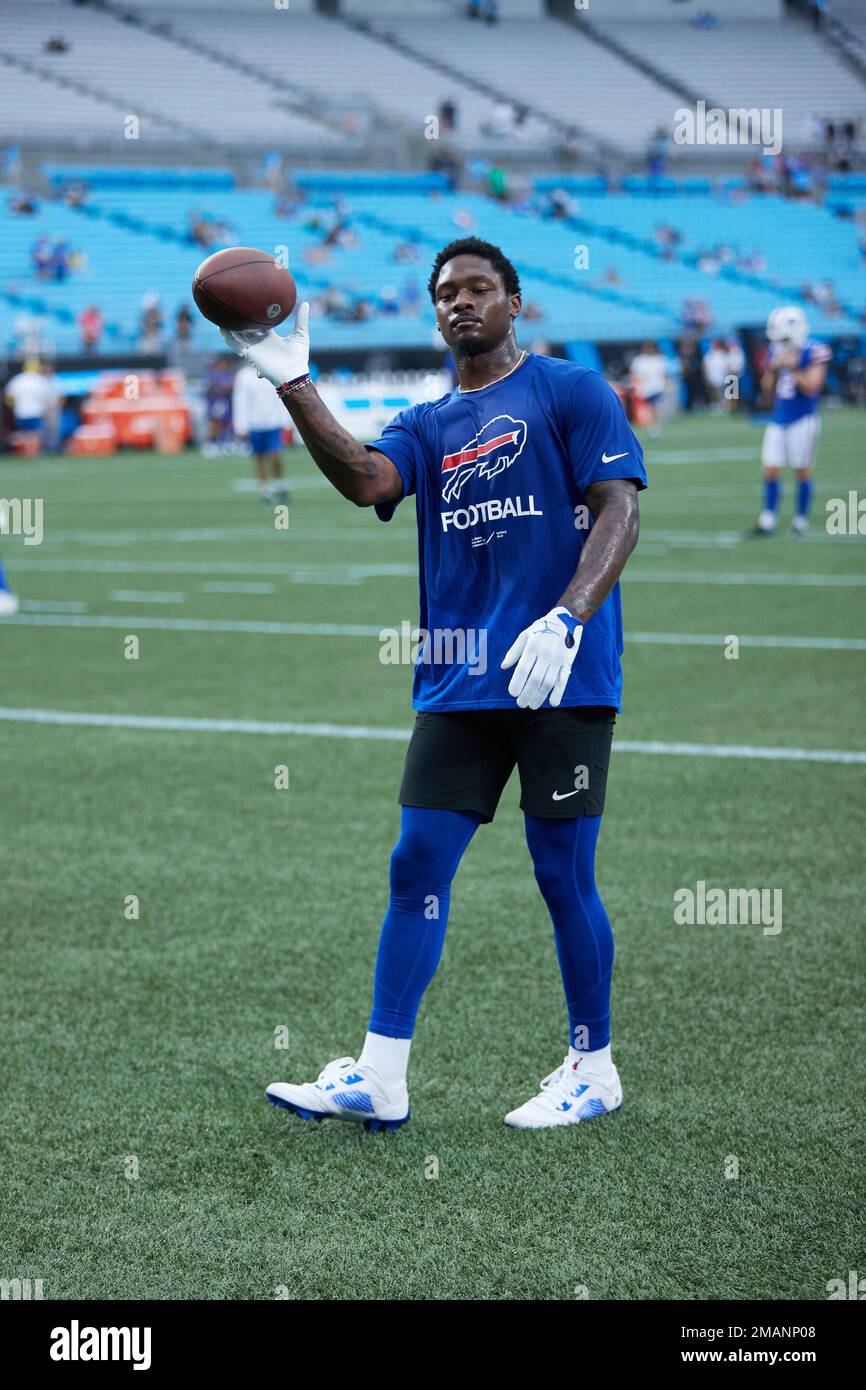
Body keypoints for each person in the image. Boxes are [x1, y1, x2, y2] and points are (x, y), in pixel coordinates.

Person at [220, 235, 646, 1132]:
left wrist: (569, 617)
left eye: (480, 287)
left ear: (515, 301)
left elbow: (621, 510)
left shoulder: (570, 390)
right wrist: (292, 380)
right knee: (415, 863)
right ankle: (380, 1076)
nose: (462, 302)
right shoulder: (427, 422)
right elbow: (366, 477)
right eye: (446, 292)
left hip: (558, 674)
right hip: (459, 679)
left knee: (561, 874)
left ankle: (594, 1067)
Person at [754, 306, 830, 537]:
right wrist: (774, 369)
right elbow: (766, 392)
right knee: (770, 468)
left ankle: (800, 521)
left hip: (803, 419)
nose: (781, 342)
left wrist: (792, 366)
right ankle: (767, 520)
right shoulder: (775, 351)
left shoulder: (815, 350)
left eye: (785, 337)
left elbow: (812, 387)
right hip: (778, 418)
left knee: (801, 470)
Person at [231, 362, 289, 506]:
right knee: (259, 458)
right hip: (254, 423)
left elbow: (281, 396)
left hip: (273, 421)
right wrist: (241, 426)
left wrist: (286, 421)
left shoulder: (273, 370)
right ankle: (265, 490)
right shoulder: (244, 376)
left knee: (275, 455)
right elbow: (240, 401)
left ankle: (279, 485)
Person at [4, 359, 56, 450]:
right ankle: (32, 452)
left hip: (20, 411)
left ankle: (25, 451)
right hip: (36, 411)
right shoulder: (40, 380)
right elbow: (48, 398)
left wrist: (12, 407)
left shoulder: (17, 379)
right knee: (35, 433)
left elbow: (8, 396)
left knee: (24, 433)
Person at [628, 341, 667, 435]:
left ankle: (654, 426)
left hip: (656, 387)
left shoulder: (659, 359)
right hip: (643, 388)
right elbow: (634, 374)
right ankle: (648, 425)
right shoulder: (639, 360)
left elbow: (662, 374)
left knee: (655, 407)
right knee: (646, 408)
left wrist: (663, 385)